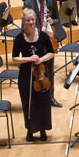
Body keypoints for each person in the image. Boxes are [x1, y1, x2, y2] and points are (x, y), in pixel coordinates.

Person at [13, 8, 54, 142]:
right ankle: (30, 130)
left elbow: (51, 52)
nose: (31, 22)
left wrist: (40, 59)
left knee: (43, 102)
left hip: (41, 72)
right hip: (26, 74)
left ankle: (43, 130)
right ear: (23, 21)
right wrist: (28, 59)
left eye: (33, 20)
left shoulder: (42, 36)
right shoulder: (19, 38)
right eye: (28, 20)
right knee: (28, 103)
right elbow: (14, 58)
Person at [24, 0, 62, 107]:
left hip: (49, 41)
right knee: (37, 72)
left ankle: (50, 98)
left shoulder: (50, 0)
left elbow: (58, 18)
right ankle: (38, 99)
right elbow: (26, 24)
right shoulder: (28, 3)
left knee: (50, 71)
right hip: (35, 41)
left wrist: (53, 21)